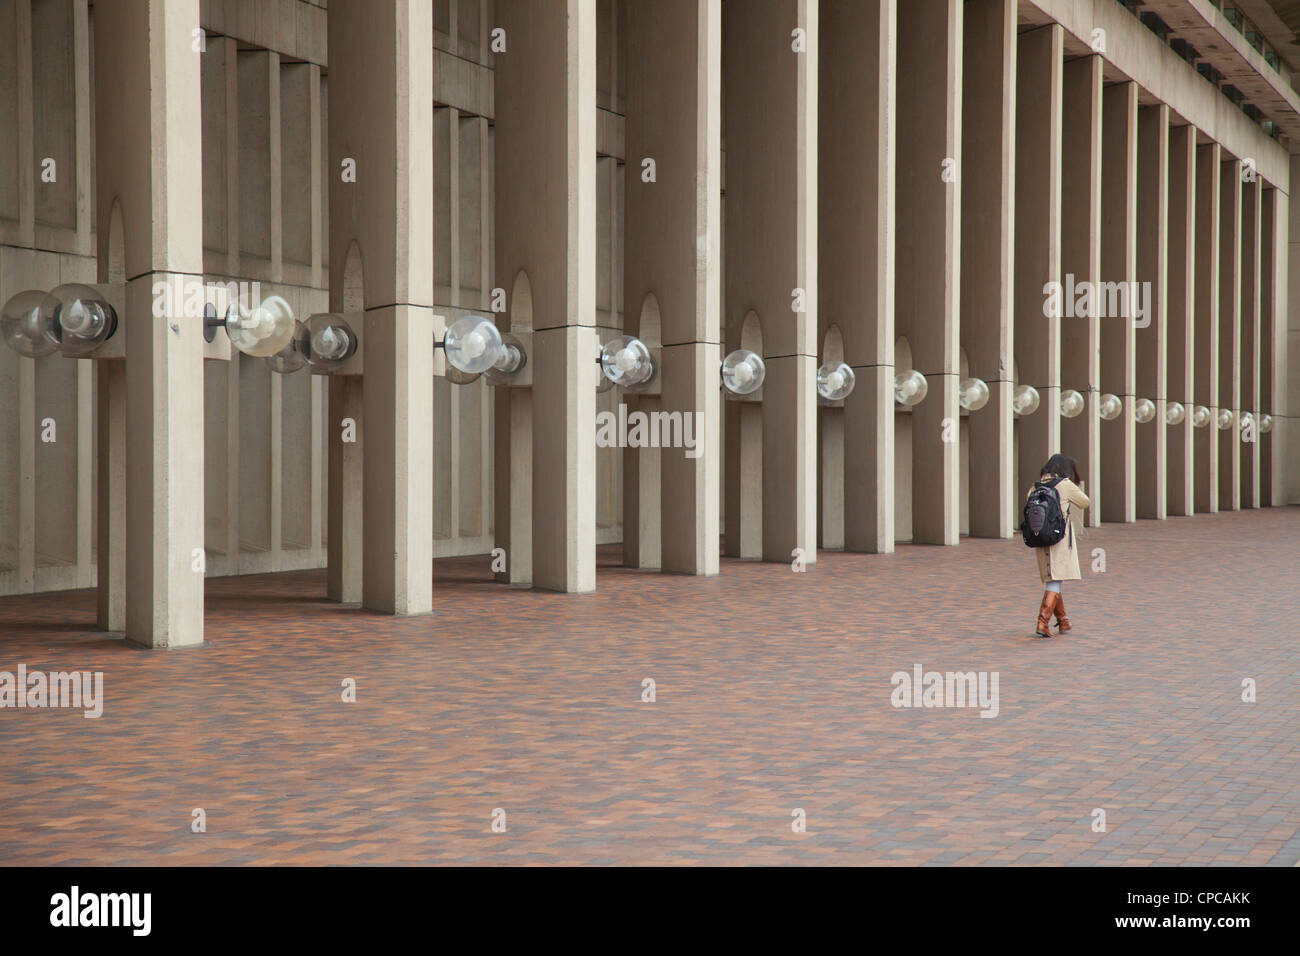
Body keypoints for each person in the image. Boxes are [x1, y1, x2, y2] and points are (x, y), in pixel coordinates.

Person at [1029, 454, 1090, 638]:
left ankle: (1063, 621)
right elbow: (1085, 502)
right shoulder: (1064, 484)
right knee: (1055, 580)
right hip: (1059, 538)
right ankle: (1042, 622)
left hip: (1041, 538)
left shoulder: (1036, 486)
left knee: (1054, 577)